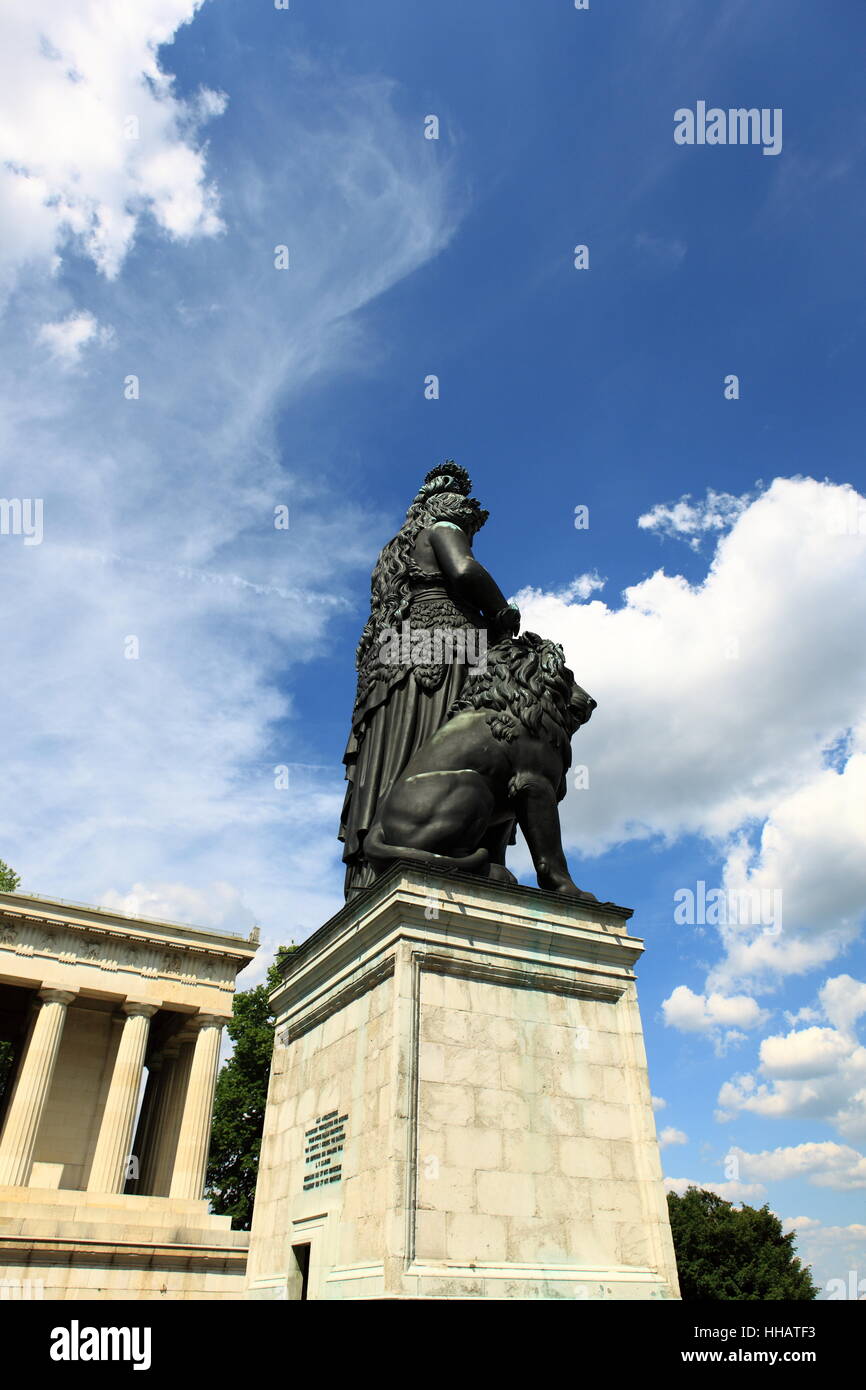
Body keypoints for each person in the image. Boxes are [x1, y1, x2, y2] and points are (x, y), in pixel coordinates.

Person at [339, 462, 519, 897]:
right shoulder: (442, 526)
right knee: (454, 742)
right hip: (446, 645)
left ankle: (376, 864)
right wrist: (503, 612)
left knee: (395, 750)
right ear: (448, 503)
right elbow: (464, 570)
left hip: (396, 659)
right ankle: (452, 848)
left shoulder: (393, 552)